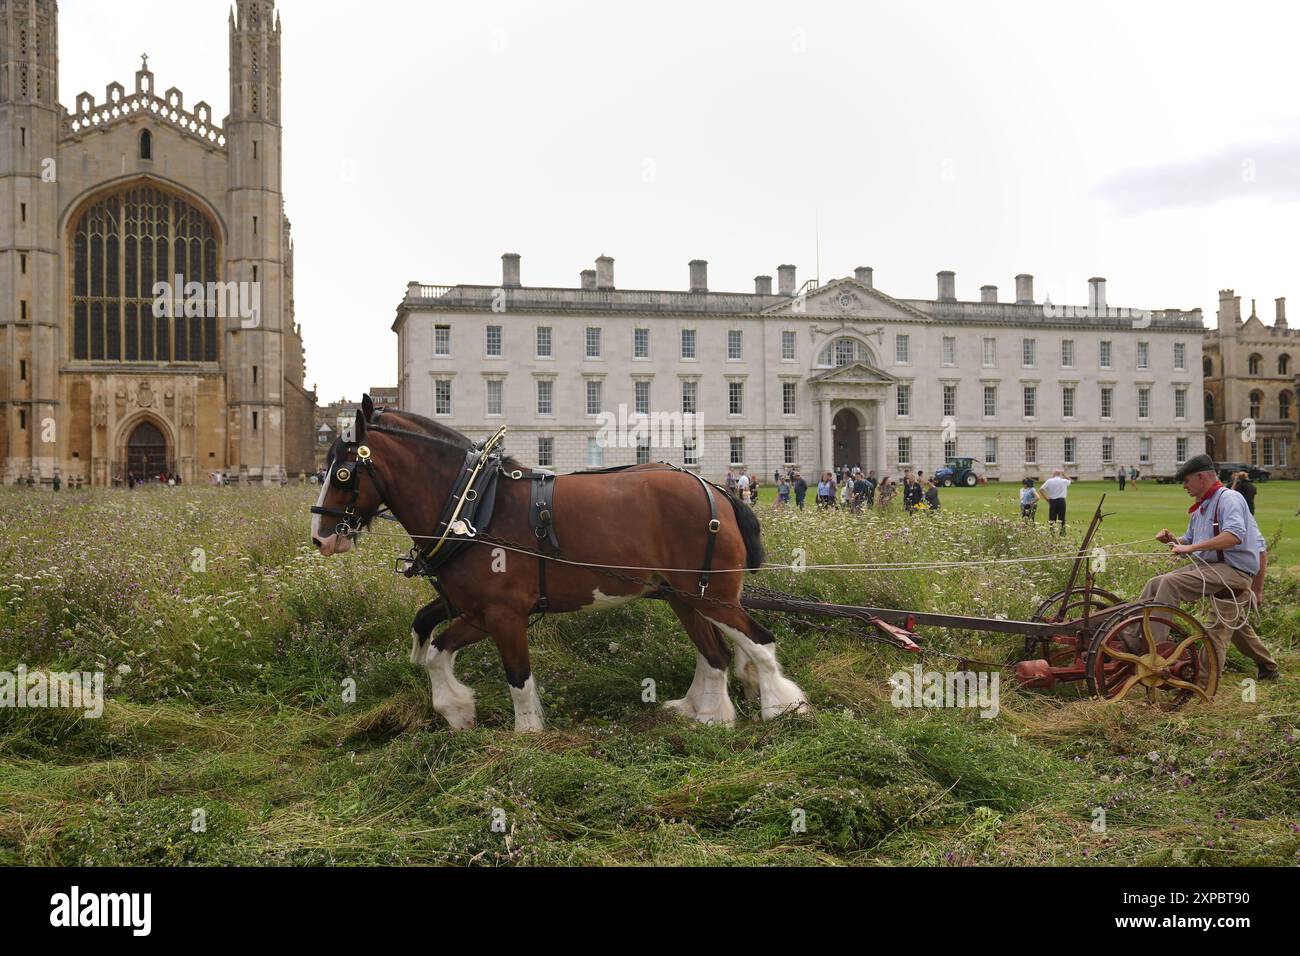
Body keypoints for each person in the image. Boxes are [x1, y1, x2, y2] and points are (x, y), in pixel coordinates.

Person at [1137, 455, 1279, 680]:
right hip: (1211, 570)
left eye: (1186, 481)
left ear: (1201, 477)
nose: (1184, 486)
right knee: (1156, 583)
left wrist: (1191, 548)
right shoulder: (1201, 507)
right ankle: (1133, 640)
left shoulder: (1229, 499)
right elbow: (1190, 540)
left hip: (1234, 572)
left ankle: (1160, 656)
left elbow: (1233, 536)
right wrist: (1175, 540)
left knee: (1177, 591)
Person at [1040, 468, 1071, 535]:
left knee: (1052, 517)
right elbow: (1069, 480)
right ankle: (1062, 532)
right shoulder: (1063, 481)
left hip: (1052, 501)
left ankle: (1052, 532)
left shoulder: (1049, 481)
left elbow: (1041, 490)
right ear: (1060, 474)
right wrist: (1064, 474)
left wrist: (1046, 499)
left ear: (1053, 474)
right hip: (1061, 501)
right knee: (1062, 517)